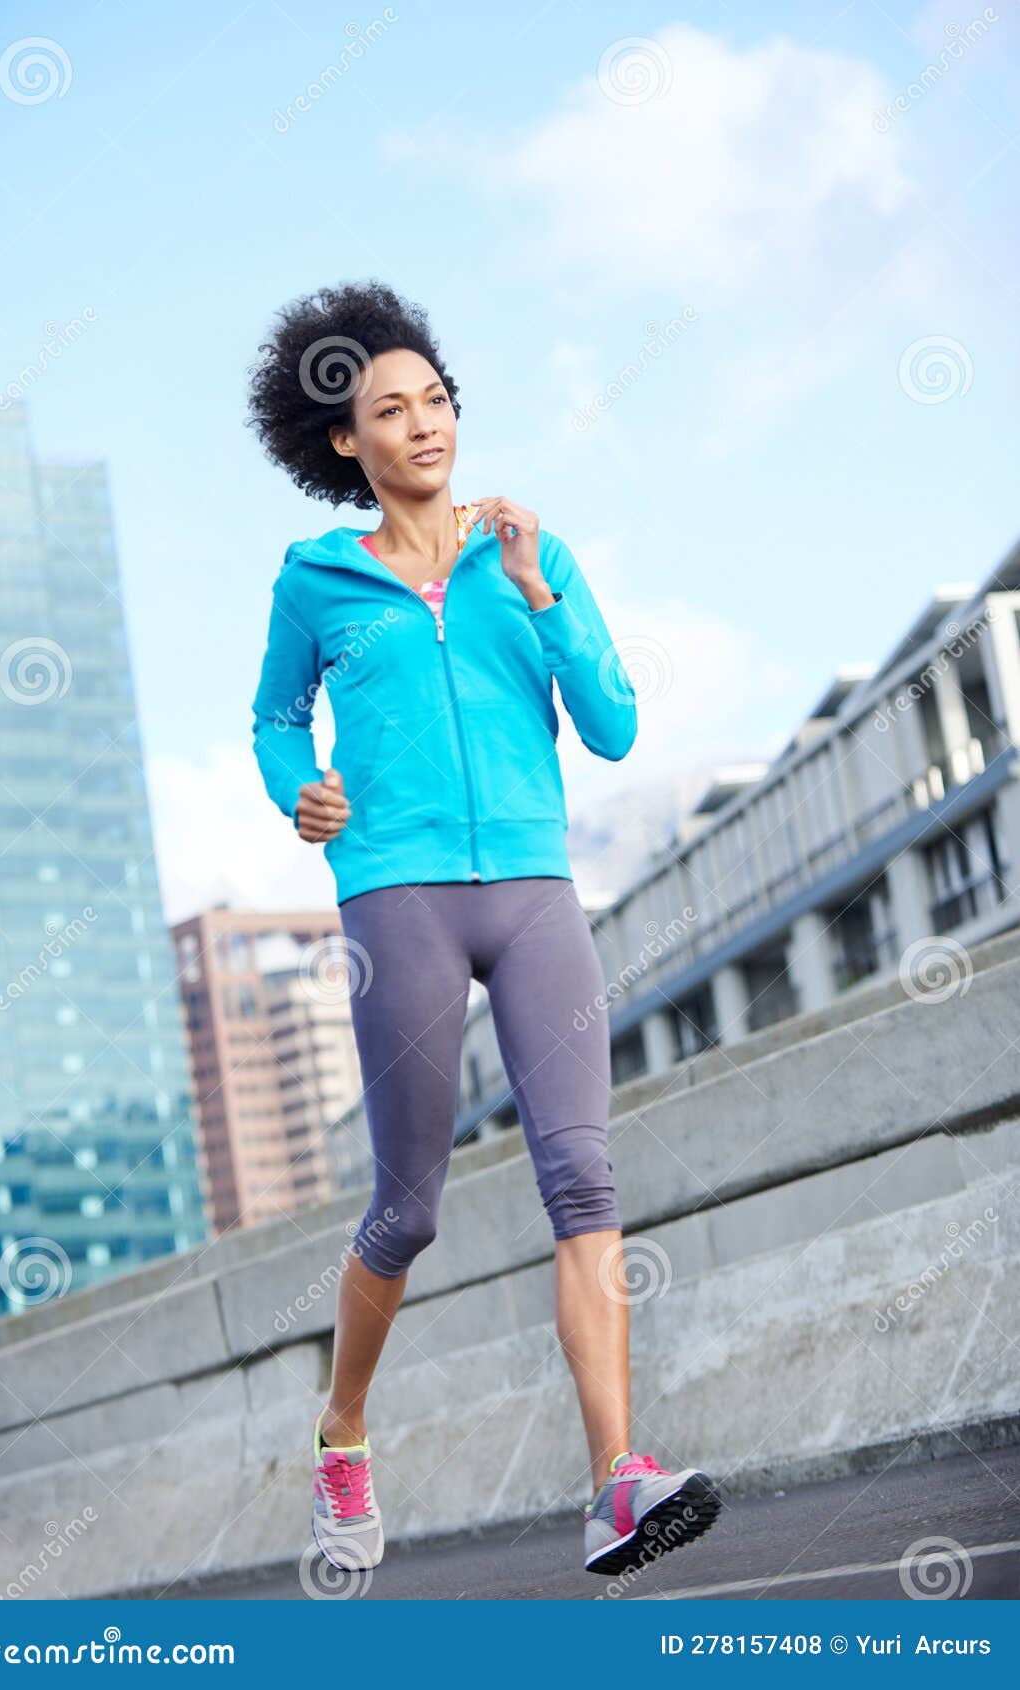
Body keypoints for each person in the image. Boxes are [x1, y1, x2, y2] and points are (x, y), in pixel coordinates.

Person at [247, 280, 720, 1579]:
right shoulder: (315, 579)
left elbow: (614, 726)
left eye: (436, 401)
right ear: (344, 442)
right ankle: (343, 1429)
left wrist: (537, 594)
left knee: (584, 1178)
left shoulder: (533, 552)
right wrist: (305, 794)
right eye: (388, 411)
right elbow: (274, 720)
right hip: (393, 896)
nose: (421, 425)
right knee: (408, 1206)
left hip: (531, 892)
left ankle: (616, 1481)